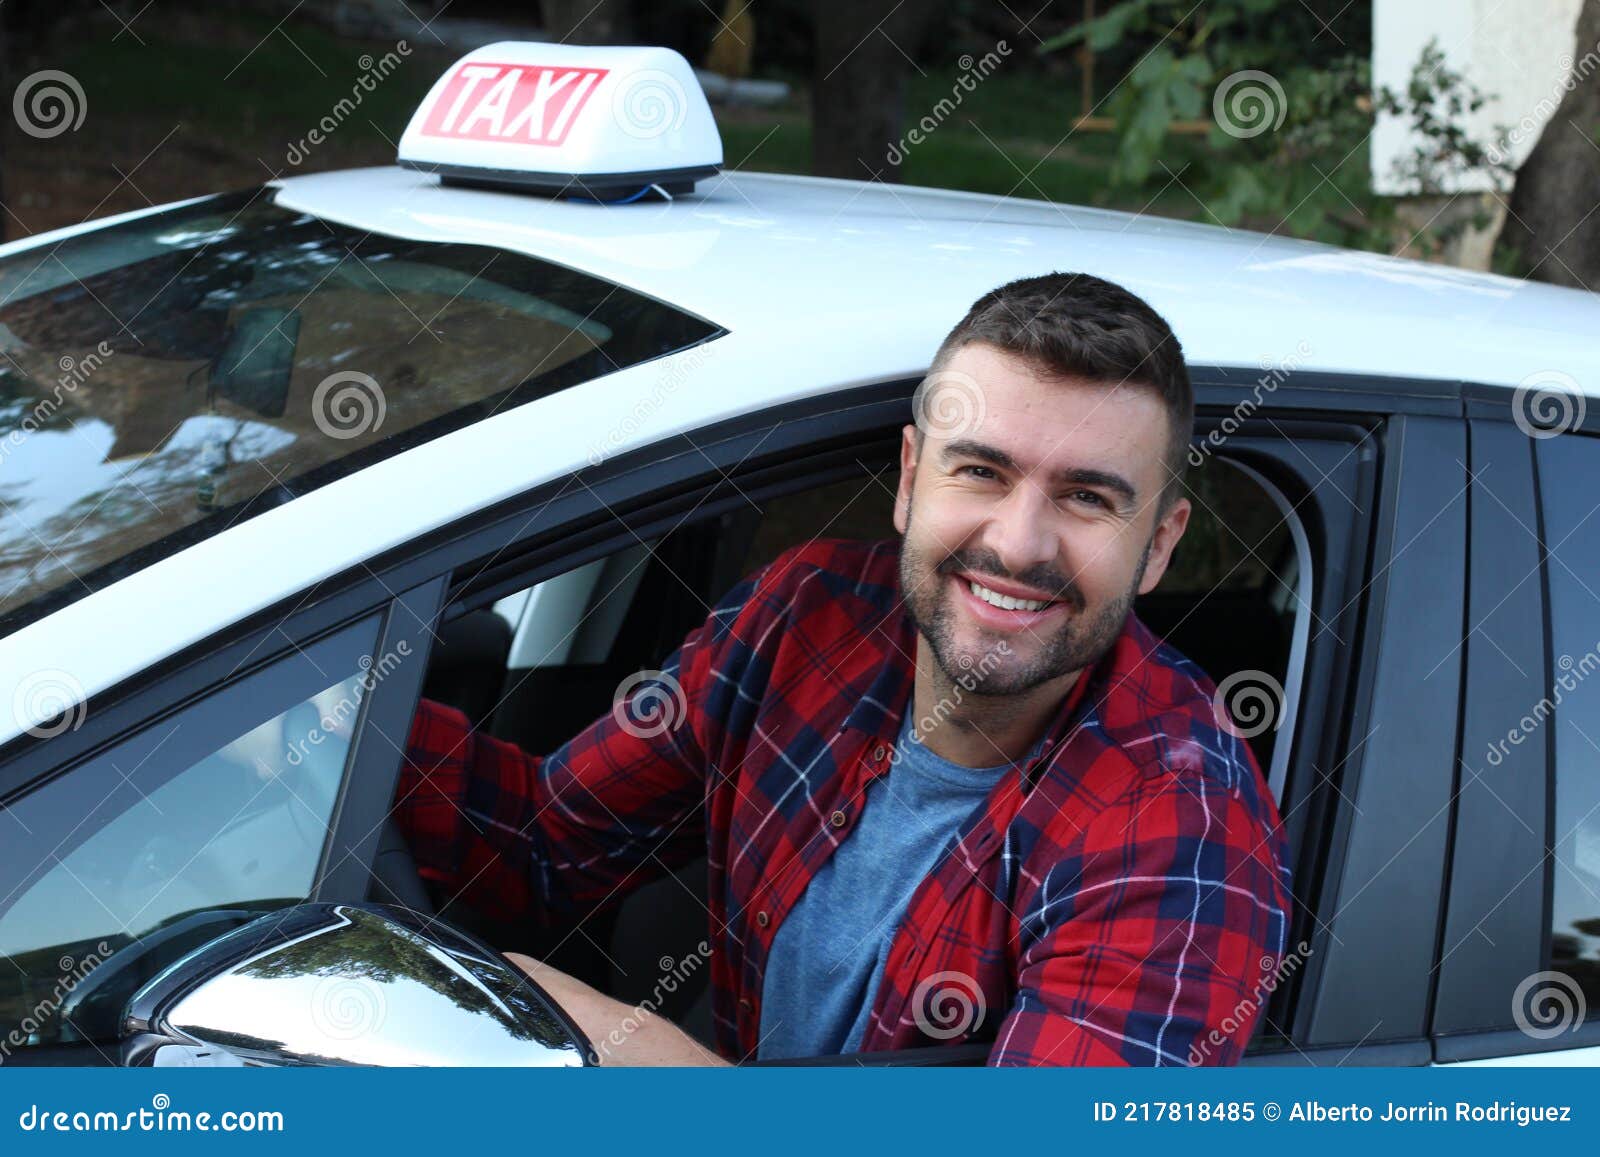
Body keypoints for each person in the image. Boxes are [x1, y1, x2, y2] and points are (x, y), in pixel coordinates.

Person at [395, 272, 1293, 1066]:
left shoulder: (1182, 825)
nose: (1018, 545)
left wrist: (633, 1059)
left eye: (1088, 497)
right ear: (911, 480)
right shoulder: (808, 616)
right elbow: (544, 841)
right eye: (980, 471)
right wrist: (321, 722)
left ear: (1158, 546)